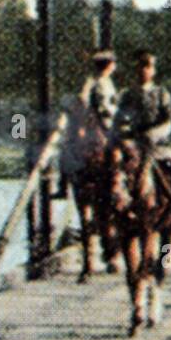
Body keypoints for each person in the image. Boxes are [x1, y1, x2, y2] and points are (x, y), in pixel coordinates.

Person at [114, 50, 171, 231]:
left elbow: (168, 121)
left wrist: (154, 133)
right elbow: (121, 118)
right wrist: (125, 131)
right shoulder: (127, 95)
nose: (144, 70)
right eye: (140, 66)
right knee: (113, 170)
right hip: (134, 144)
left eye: (148, 67)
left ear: (153, 70)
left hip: (157, 144)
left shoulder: (161, 94)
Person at [60, 49, 121, 274]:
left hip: (96, 123)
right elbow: (98, 106)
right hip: (103, 124)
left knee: (67, 149)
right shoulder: (100, 83)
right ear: (109, 65)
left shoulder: (98, 82)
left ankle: (63, 182)